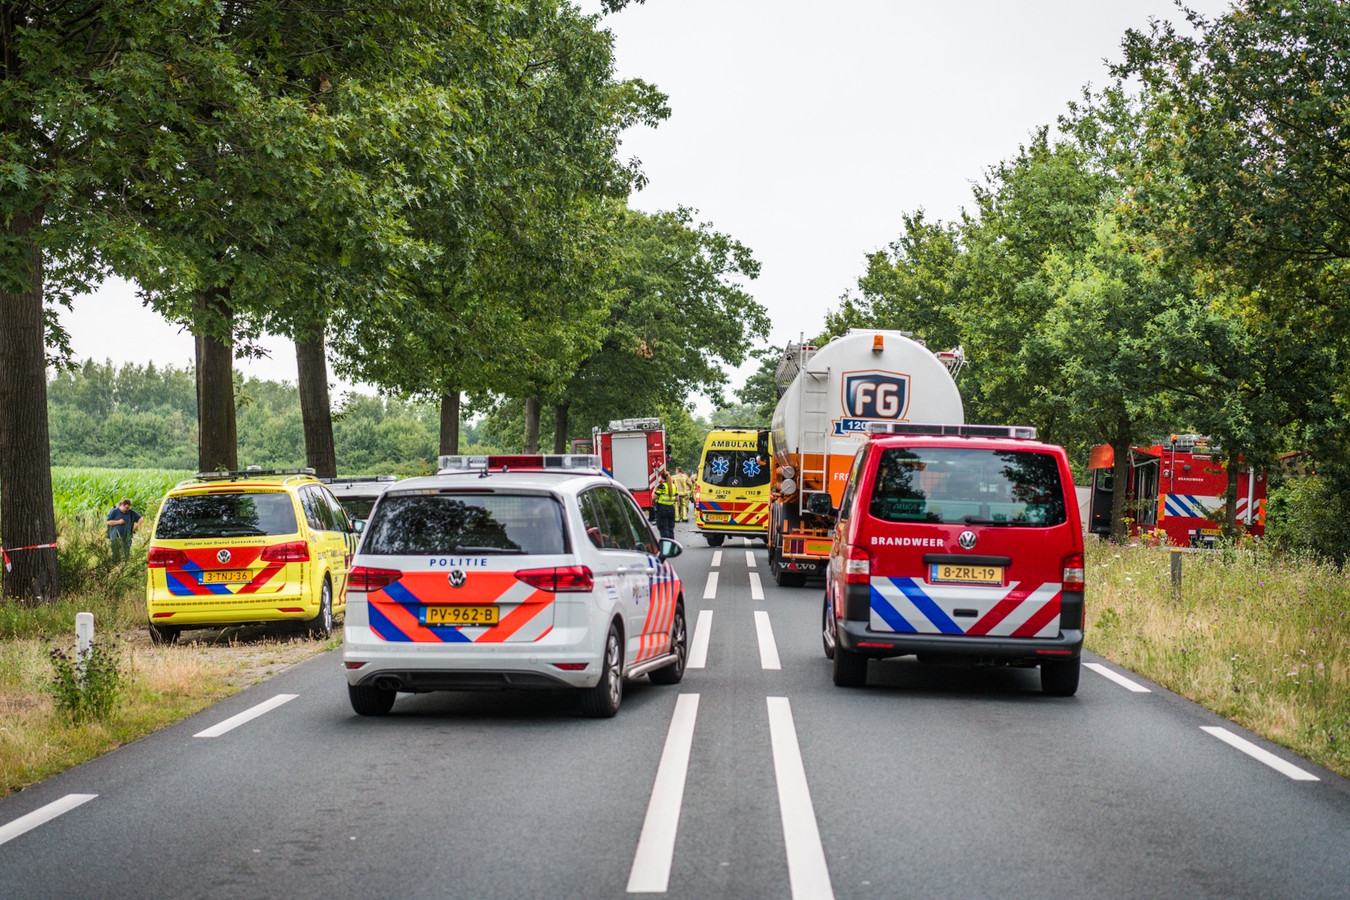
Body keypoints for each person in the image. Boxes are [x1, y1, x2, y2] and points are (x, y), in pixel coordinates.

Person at [107, 497, 142, 563]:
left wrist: (137, 525)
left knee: (126, 552)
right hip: (115, 536)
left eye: (128, 508)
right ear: (122, 505)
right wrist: (119, 522)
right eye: (126, 508)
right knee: (115, 553)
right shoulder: (114, 511)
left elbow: (140, 518)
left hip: (127, 536)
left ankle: (125, 565)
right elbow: (108, 522)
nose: (127, 510)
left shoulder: (131, 512)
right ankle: (115, 566)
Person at [652, 467, 677, 540]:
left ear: (662, 478)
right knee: (670, 529)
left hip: (662, 509)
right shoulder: (673, 486)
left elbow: (653, 497)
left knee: (664, 529)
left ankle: (666, 546)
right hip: (671, 509)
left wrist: (654, 489)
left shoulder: (662, 486)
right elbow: (677, 498)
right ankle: (672, 546)